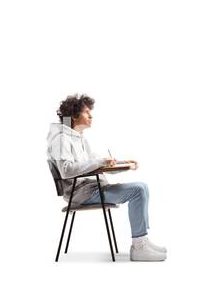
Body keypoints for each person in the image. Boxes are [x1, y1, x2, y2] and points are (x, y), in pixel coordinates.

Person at [46, 93, 166, 261]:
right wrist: (100, 162)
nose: (91, 115)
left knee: (142, 186)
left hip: (92, 188)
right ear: (74, 116)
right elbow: (66, 170)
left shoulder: (79, 139)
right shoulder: (61, 140)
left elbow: (97, 164)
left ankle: (142, 240)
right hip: (82, 193)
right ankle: (139, 246)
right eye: (87, 112)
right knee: (138, 189)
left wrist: (124, 164)